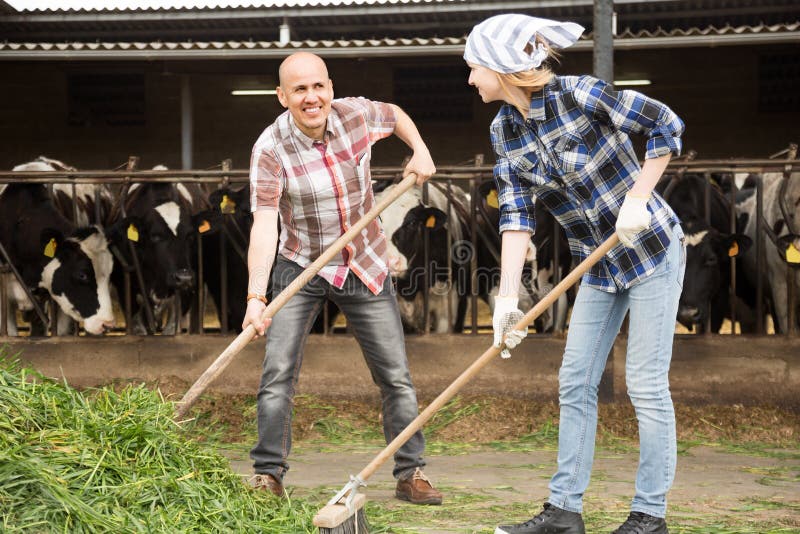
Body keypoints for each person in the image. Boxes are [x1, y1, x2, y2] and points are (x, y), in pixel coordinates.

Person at [464, 14, 686, 534]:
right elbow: (516, 217)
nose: (470, 77)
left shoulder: (580, 94)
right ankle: (565, 511)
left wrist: (637, 198)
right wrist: (506, 299)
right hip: (599, 264)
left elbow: (665, 124)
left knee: (646, 386)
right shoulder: (504, 130)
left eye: (474, 65)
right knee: (575, 381)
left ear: (502, 67)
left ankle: (649, 516)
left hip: (651, 247)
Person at [242, 52, 443, 506]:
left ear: (330, 87)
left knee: (395, 375)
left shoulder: (355, 114)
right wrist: (257, 295)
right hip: (302, 264)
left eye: (318, 87)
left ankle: (411, 472)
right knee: (277, 374)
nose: (312, 98)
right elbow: (265, 224)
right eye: (299, 90)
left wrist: (420, 148)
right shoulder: (270, 148)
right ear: (282, 96)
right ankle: (267, 474)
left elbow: (394, 115)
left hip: (363, 261)